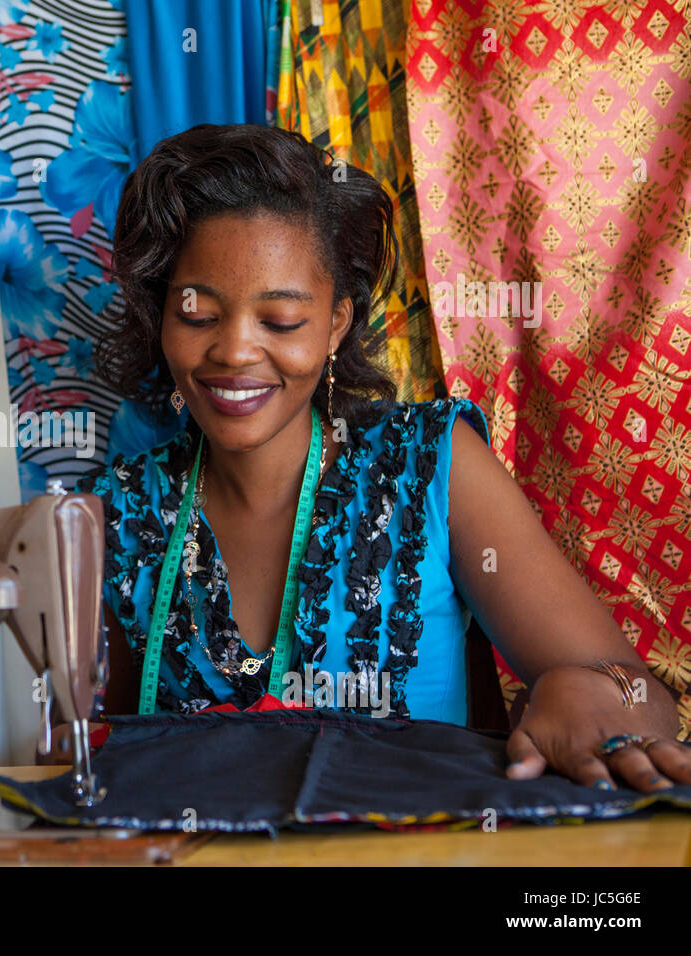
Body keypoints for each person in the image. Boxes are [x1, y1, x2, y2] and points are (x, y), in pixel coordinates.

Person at [75, 124, 689, 793]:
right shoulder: (125, 510)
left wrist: (581, 693)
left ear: (337, 322)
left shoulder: (431, 465)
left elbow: (637, 690)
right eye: (197, 316)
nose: (234, 352)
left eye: (280, 321)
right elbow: (102, 750)